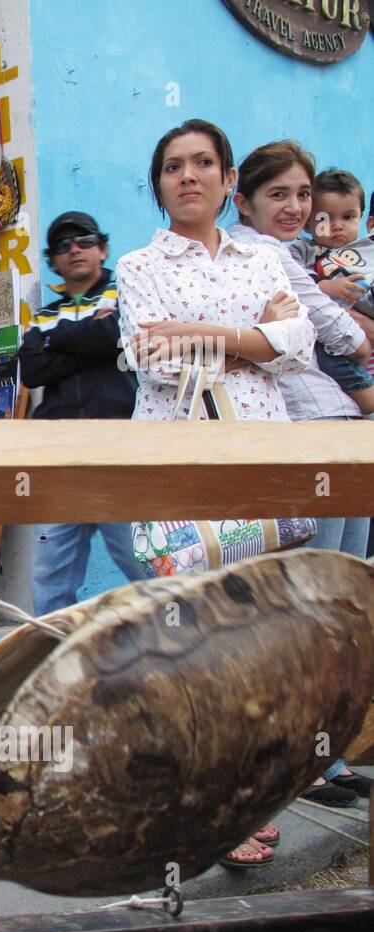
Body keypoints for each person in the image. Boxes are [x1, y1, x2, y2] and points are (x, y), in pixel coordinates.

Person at [117, 120, 316, 868]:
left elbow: (299, 347)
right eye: (172, 166)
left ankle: (247, 799)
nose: (189, 176)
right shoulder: (139, 266)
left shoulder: (262, 255)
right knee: (195, 641)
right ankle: (206, 812)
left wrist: (212, 333)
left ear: (229, 179)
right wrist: (249, 336)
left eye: (204, 163)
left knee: (259, 640)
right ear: (159, 183)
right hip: (181, 463)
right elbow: (154, 358)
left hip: (261, 454)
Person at [229, 141, 369, 807]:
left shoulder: (293, 258)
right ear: (245, 201)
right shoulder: (255, 256)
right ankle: (303, 760)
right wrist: (356, 329)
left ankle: (328, 753)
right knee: (311, 604)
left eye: (302, 194)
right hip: (304, 434)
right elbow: (331, 327)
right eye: (278, 194)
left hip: (336, 429)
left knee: (337, 602)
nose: (295, 207)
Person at [17, 210, 146, 615]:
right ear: (52, 261)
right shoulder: (43, 314)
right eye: (62, 246)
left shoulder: (124, 296)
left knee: (145, 562)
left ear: (103, 249)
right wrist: (91, 340)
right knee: (51, 576)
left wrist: (58, 342)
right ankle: (53, 659)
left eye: (85, 241)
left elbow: (114, 336)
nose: (74, 250)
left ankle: (179, 650)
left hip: (119, 452)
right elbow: (34, 371)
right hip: (60, 455)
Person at [289, 168, 374, 416]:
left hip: (364, 337)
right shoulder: (303, 250)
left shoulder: (365, 253)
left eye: (348, 217)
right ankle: (364, 395)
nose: (337, 227)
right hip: (330, 339)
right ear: (308, 221)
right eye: (325, 219)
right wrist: (325, 286)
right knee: (327, 354)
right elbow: (292, 279)